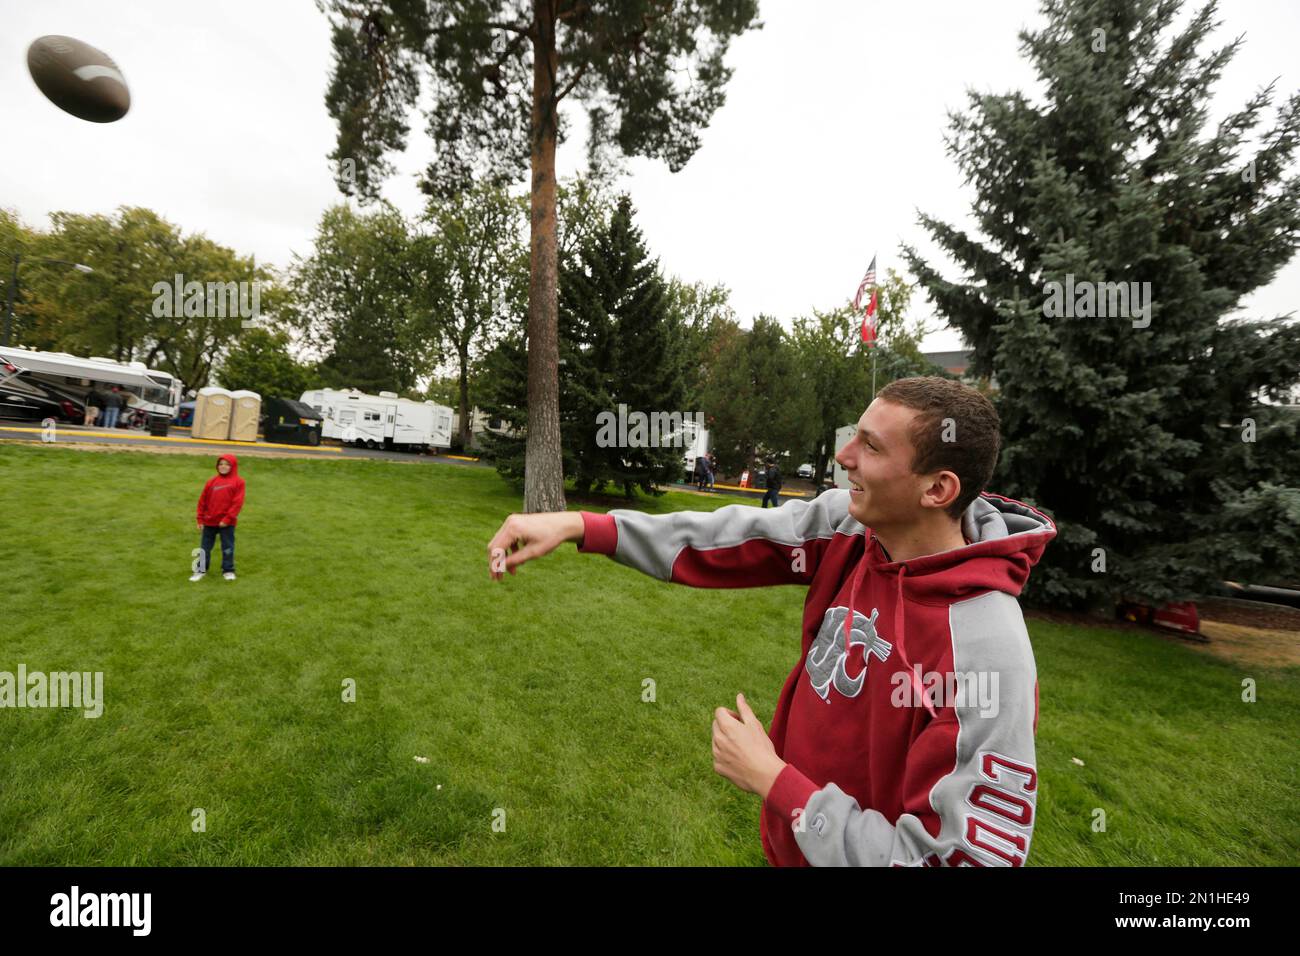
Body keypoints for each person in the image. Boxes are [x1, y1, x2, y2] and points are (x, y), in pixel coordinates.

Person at [485, 376, 1056, 866]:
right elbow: (728, 538)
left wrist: (776, 782)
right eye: (853, 435)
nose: (845, 457)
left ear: (938, 489)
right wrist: (584, 527)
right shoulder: (854, 530)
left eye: (872, 447)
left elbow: (952, 858)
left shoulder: (987, 651)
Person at [190, 454, 245, 582]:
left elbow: (237, 503)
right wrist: (200, 519)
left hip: (227, 523)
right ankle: (200, 570)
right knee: (204, 548)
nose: (223, 466)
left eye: (227, 464)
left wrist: (227, 519)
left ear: (233, 466)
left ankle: (228, 570)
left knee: (227, 547)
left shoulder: (239, 482)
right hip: (209, 521)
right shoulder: (211, 482)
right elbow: (202, 501)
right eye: (221, 464)